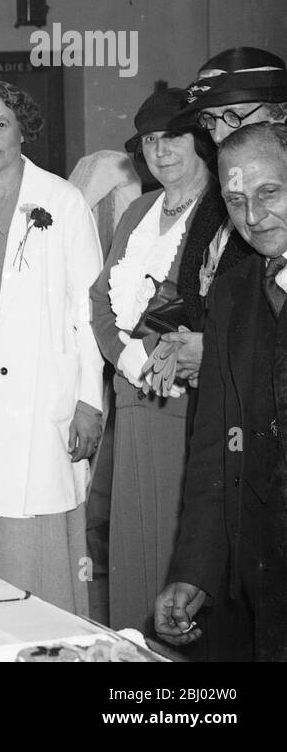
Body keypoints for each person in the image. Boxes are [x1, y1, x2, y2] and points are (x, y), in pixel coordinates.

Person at [0, 81, 104, 615]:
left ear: (22, 127)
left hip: (45, 395)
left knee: (41, 535)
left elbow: (88, 308)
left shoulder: (63, 201)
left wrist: (89, 400)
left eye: (0, 124)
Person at [156, 123, 287, 662]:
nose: (252, 218)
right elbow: (215, 445)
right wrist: (195, 571)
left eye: (269, 193)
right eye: (235, 201)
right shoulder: (233, 293)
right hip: (264, 573)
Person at [88, 88, 213, 636]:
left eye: (173, 138)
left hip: (192, 406)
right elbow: (99, 300)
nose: (161, 152)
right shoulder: (139, 208)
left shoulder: (221, 209)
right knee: (135, 545)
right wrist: (124, 359)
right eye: (150, 142)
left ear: (200, 141)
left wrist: (164, 357)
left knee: (182, 548)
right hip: (134, 399)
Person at [150, 47, 287, 417]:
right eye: (210, 121)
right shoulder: (219, 194)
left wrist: (212, 351)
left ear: (282, 113)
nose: (220, 133)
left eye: (233, 115)